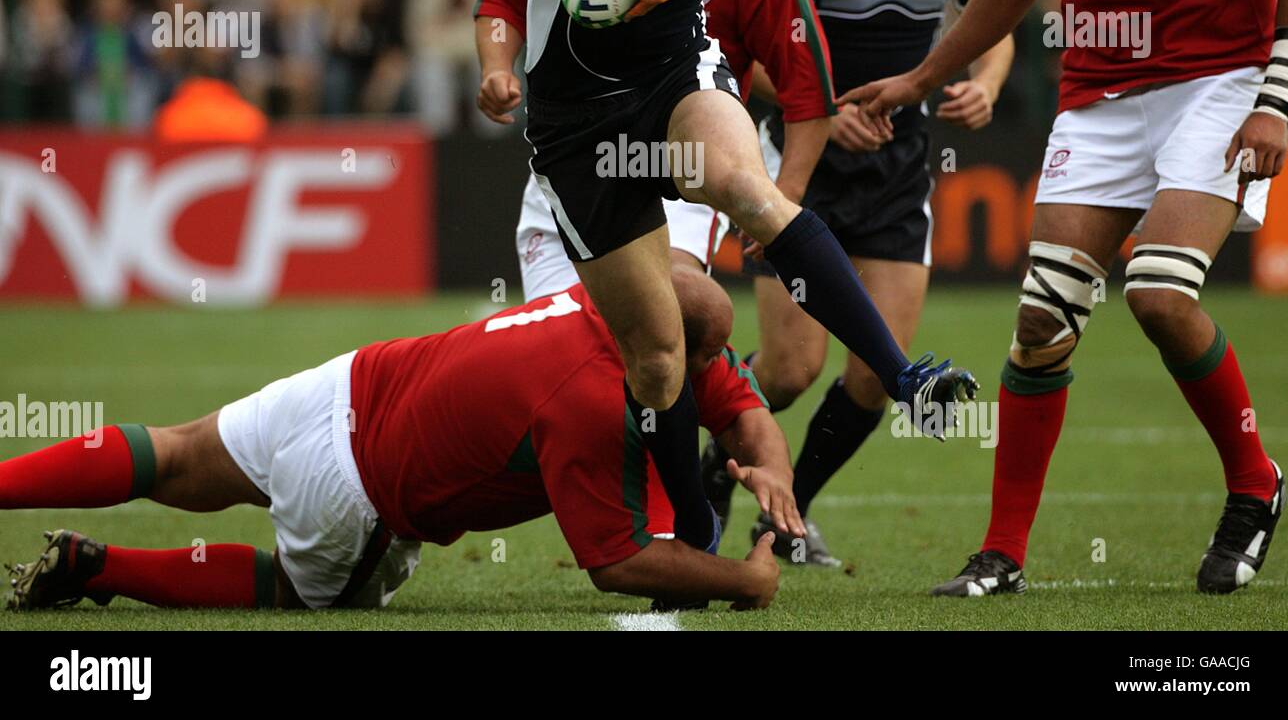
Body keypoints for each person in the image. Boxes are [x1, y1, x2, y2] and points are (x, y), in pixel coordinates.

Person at [840, 0, 1288, 596]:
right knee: (1043, 320)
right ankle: (1003, 555)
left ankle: (1255, 484)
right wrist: (921, 80)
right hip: (1099, 95)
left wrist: (1276, 101)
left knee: (1161, 295)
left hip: (1214, 83)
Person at [499, 0, 978, 553]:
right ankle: (692, 524)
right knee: (656, 358)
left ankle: (904, 376)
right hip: (579, 125)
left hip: (676, 75)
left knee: (747, 189)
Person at [3, 270, 790, 612]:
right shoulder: (583, 402)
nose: (716, 370)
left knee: (169, 455)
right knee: (295, 591)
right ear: (663, 342)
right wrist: (743, 578)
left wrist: (772, 467)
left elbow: (736, 400)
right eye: (704, 354)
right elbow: (617, 563)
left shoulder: (610, 299)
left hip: (349, 384)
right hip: (359, 493)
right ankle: (99, 566)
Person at [704, 0, 1015, 567]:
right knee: (790, 368)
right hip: (801, 160)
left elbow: (997, 14)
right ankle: (704, 456)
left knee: (882, 377)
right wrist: (820, 107)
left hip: (901, 172)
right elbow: (746, 40)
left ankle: (787, 517)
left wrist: (985, 83)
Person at [474, 0, 835, 309]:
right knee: (569, 338)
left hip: (684, 162)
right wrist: (496, 67)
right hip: (574, 153)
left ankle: (731, 371)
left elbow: (808, 90)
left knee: (687, 309)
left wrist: (781, 204)